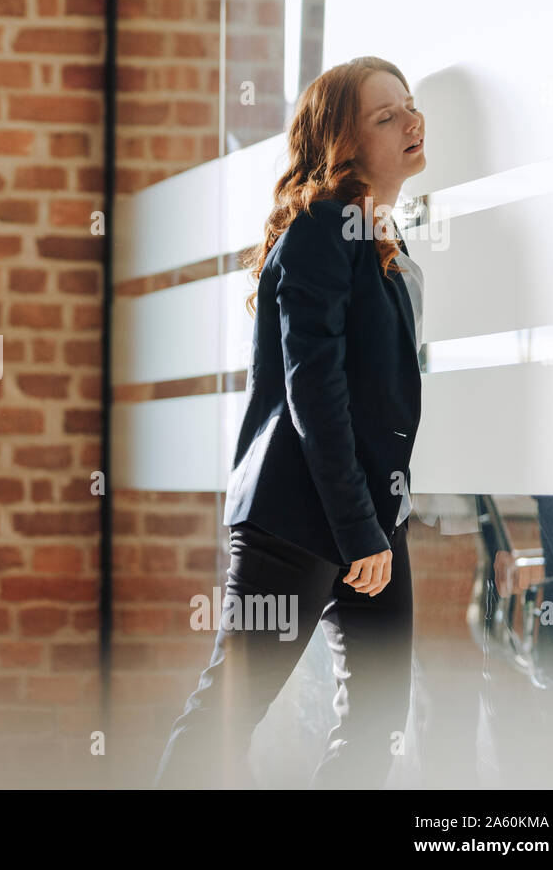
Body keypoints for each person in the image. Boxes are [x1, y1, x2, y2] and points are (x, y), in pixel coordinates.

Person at [155, 56, 426, 789]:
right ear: (341, 141)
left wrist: (379, 520)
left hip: (368, 516)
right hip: (295, 518)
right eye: (385, 114)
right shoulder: (319, 227)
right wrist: (360, 529)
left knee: (375, 725)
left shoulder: (380, 242)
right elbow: (316, 392)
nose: (412, 120)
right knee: (226, 719)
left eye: (410, 105)